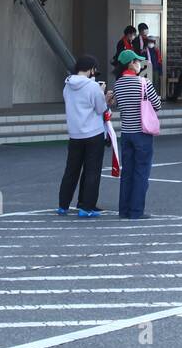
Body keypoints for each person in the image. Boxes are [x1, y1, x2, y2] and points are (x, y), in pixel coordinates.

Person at [58, 55, 111, 218]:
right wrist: (104, 95)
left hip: (74, 133)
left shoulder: (67, 85)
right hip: (93, 133)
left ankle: (63, 205)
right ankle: (86, 207)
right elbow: (101, 109)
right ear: (91, 69)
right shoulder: (93, 87)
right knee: (92, 171)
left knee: (71, 170)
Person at [112, 49, 161, 218]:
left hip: (126, 133)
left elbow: (118, 105)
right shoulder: (143, 83)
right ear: (131, 63)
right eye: (138, 61)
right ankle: (136, 211)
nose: (140, 63)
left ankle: (124, 210)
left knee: (127, 172)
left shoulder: (117, 84)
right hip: (142, 132)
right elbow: (157, 104)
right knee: (141, 172)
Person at [138, 23, 162, 87]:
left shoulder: (156, 51)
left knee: (156, 85)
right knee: (148, 85)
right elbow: (142, 60)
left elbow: (159, 61)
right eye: (150, 41)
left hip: (155, 70)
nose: (151, 43)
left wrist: (160, 71)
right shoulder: (145, 50)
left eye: (152, 42)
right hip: (147, 70)